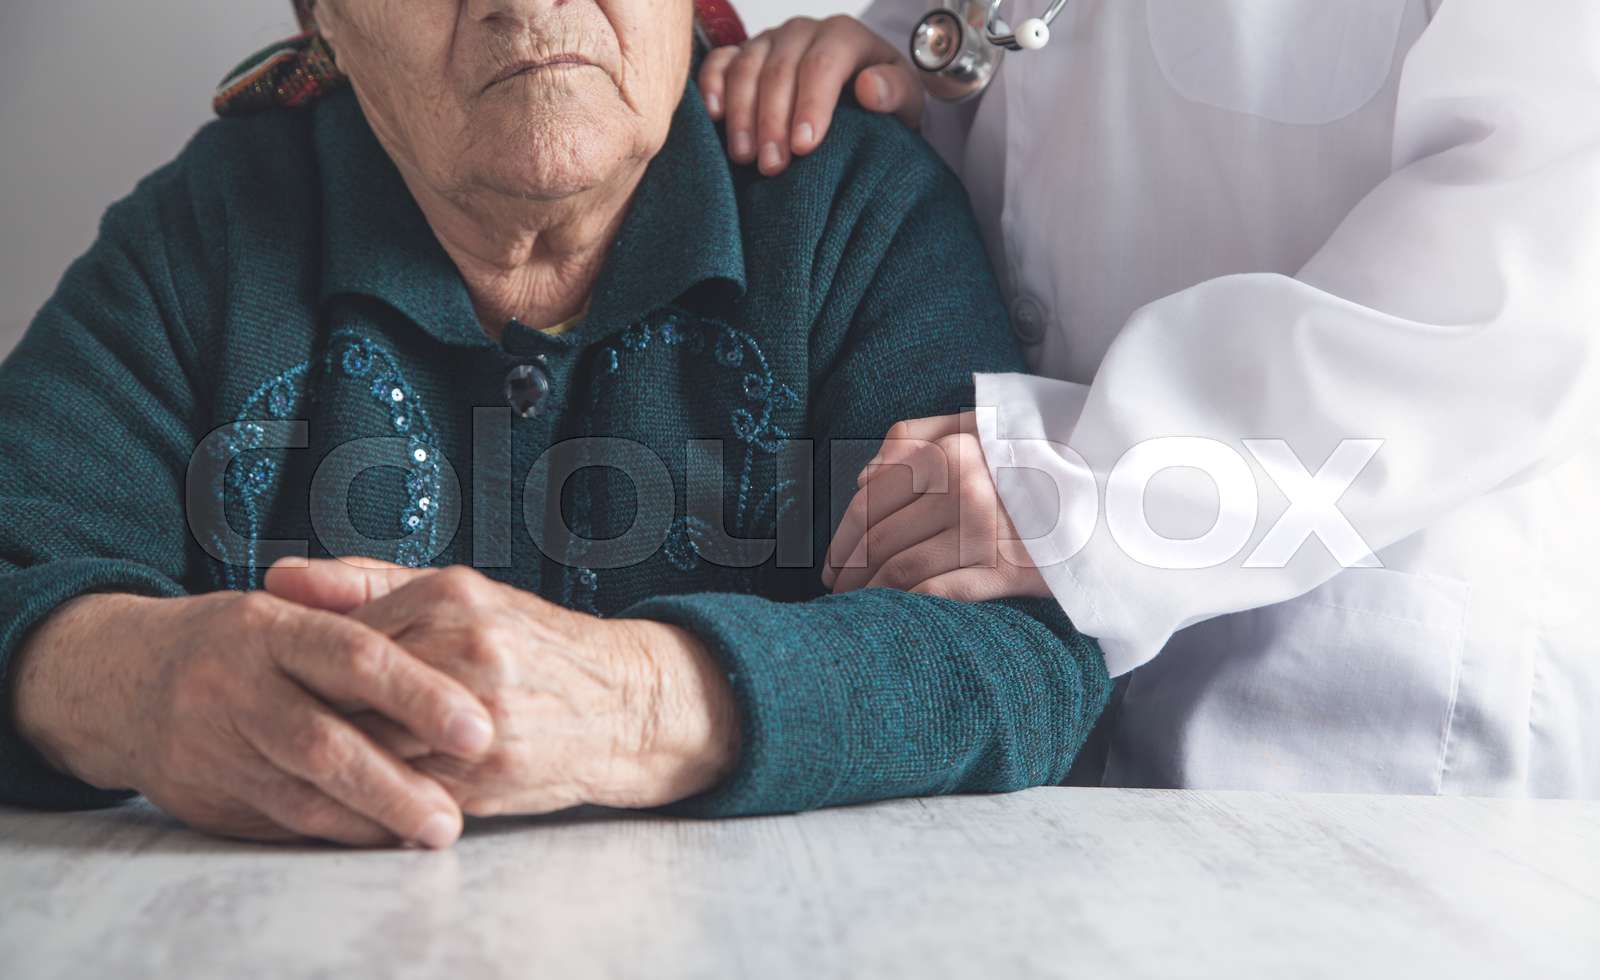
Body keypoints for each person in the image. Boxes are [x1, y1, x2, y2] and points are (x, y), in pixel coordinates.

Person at [0, 0, 1111, 848]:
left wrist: (638, 700)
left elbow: (1025, 656)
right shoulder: (212, 228)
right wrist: (134, 684)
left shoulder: (843, 200)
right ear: (322, 19)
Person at [700, 0, 1600, 796]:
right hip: (1023, 698)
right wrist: (882, 70)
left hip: (1363, 713)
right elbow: (1017, 69)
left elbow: (1526, 280)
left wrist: (1099, 478)